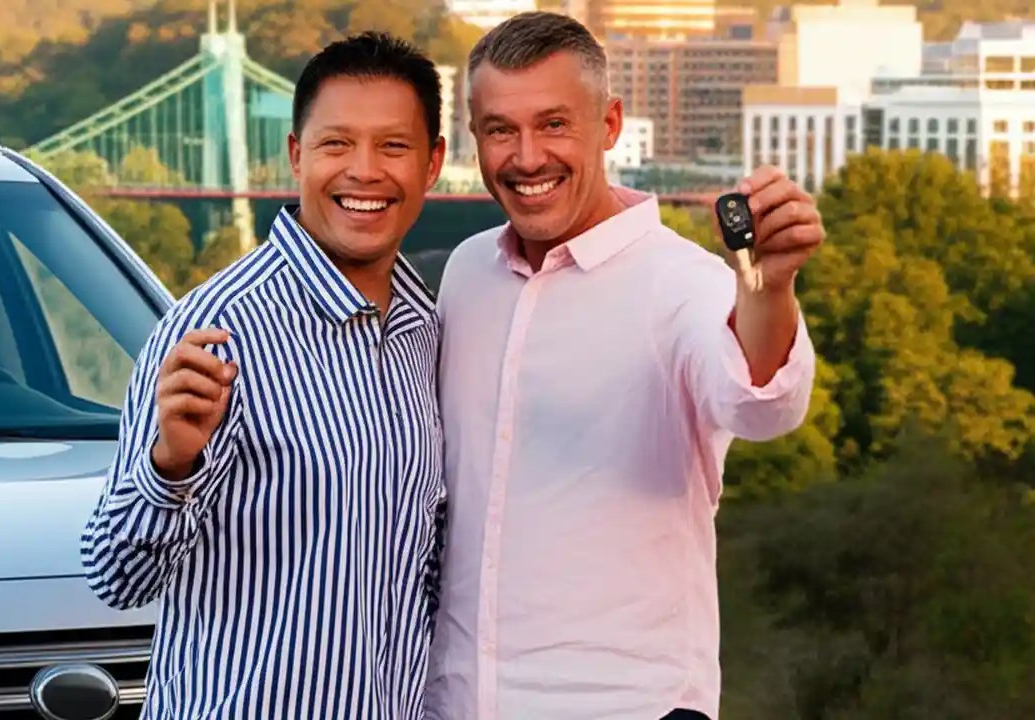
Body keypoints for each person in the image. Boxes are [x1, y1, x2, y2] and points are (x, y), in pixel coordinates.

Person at [425, 12, 823, 720]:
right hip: (455, 703)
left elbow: (762, 403)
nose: (525, 157)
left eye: (553, 124)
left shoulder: (688, 285)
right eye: (499, 130)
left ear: (608, 124)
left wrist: (769, 285)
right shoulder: (465, 274)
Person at [81, 31, 449, 719]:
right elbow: (114, 575)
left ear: (432, 166)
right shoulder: (220, 329)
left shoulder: (424, 330)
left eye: (393, 147)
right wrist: (171, 464)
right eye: (337, 144)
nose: (364, 172)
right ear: (295, 155)